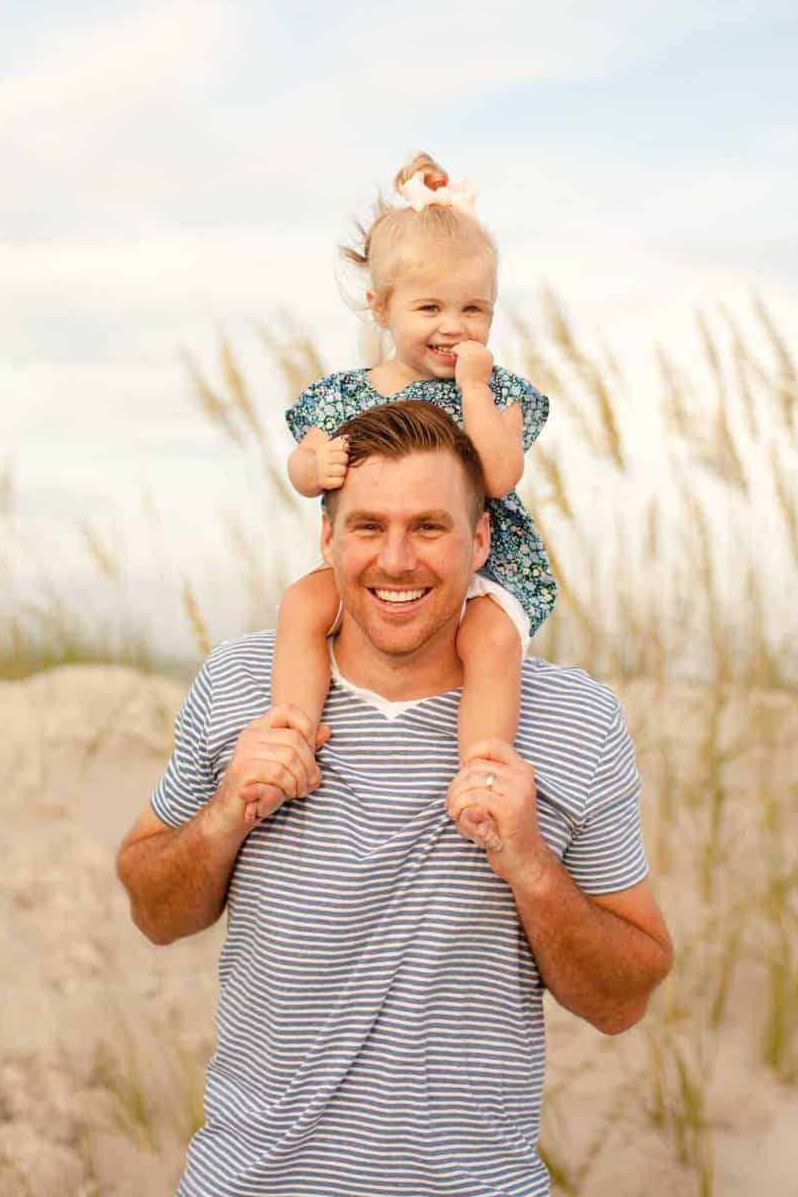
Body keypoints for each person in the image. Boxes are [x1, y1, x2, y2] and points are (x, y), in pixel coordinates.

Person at [116, 399, 672, 1197]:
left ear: (480, 541)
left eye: (430, 527)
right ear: (328, 540)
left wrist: (530, 864)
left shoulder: (574, 720)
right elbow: (151, 910)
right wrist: (227, 811)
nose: (397, 559)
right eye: (369, 527)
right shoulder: (238, 683)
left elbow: (624, 1000)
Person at [246, 153, 557, 849]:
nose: (455, 326)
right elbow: (299, 467)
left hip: (483, 566)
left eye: (473, 309)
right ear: (382, 308)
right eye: (431, 308)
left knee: (490, 639)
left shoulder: (499, 393)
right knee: (304, 604)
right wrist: (314, 466)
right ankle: (292, 728)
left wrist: (473, 391)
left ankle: (481, 768)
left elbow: (500, 476)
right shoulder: (344, 395)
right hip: (380, 564)